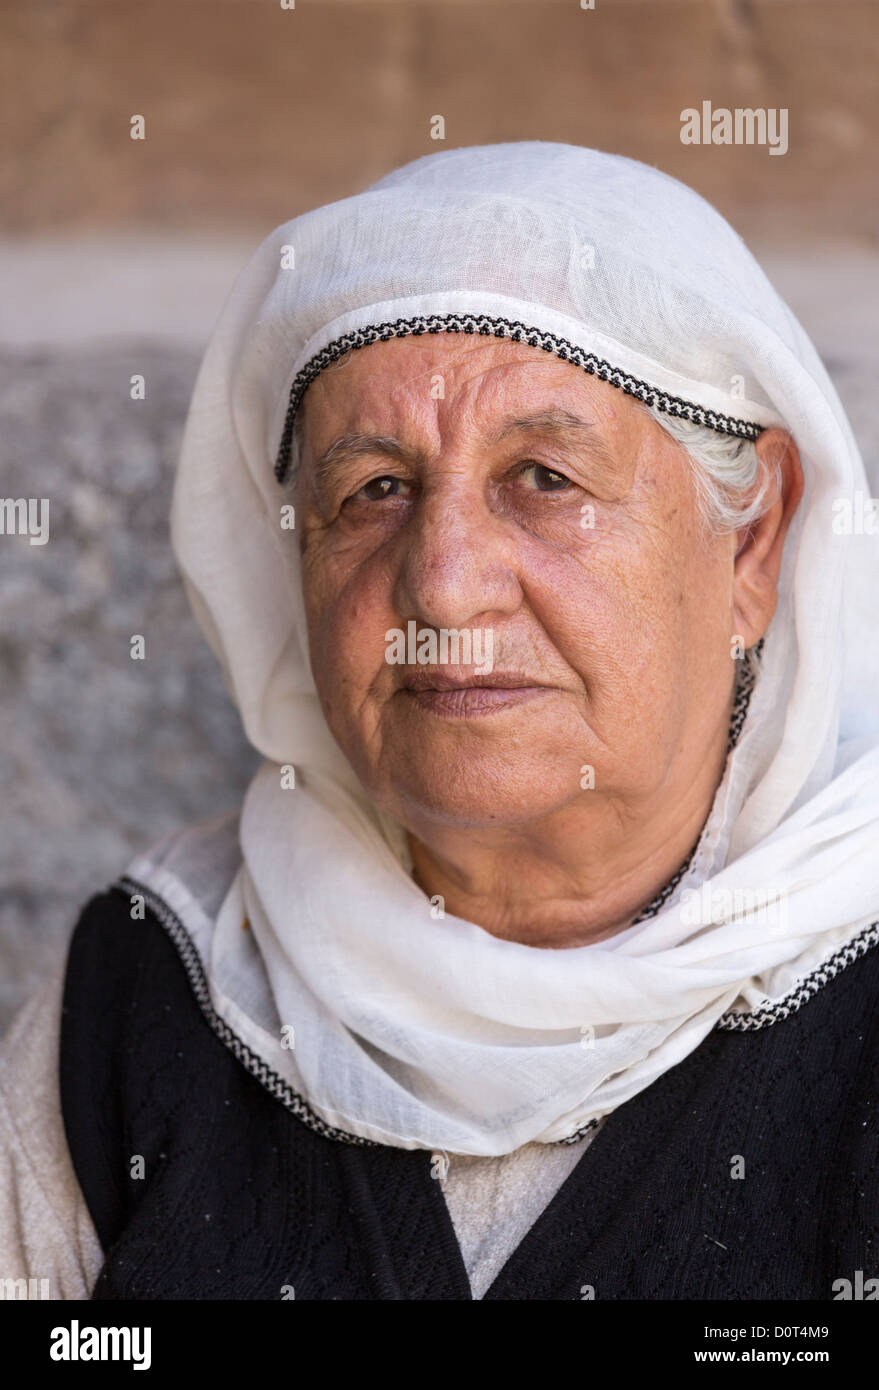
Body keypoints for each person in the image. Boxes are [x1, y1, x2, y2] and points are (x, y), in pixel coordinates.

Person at [2, 142, 877, 1301]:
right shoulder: (144, 987)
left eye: (545, 479)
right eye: (373, 489)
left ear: (752, 544)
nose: (444, 586)